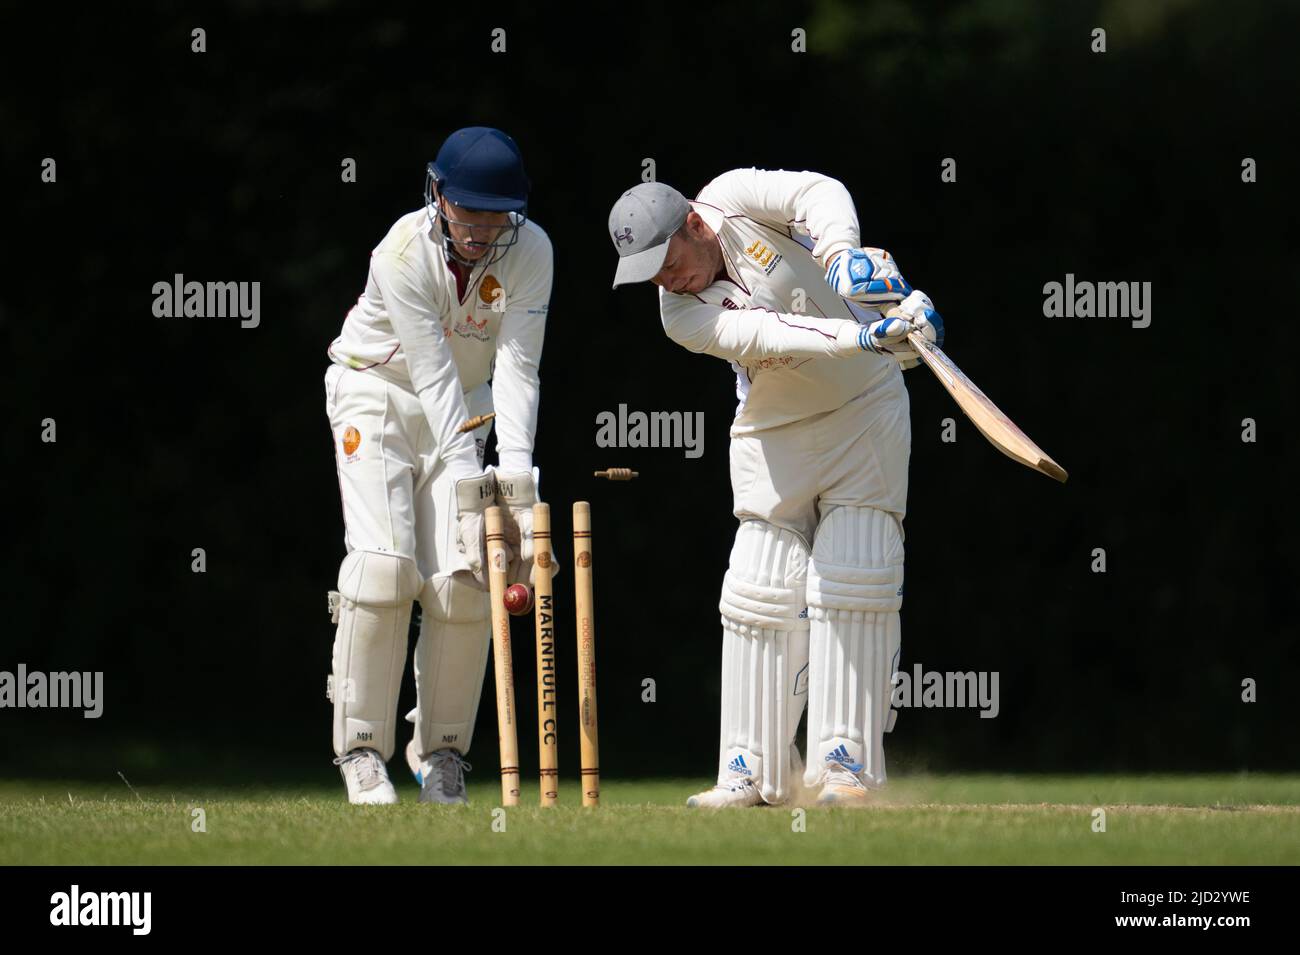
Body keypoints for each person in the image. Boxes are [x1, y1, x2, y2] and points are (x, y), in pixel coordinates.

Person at [606, 170, 942, 806]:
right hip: (772, 428)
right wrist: (867, 335)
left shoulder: (731, 196)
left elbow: (820, 194)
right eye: (651, 274)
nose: (665, 281)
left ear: (696, 226)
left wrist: (841, 256)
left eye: (669, 263)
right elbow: (768, 333)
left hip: (865, 410)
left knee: (856, 573)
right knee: (759, 584)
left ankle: (846, 767)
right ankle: (750, 768)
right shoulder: (679, 313)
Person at [324, 127, 554, 804]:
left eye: (495, 213)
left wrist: (518, 497)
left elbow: (518, 370)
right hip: (378, 393)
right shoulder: (401, 252)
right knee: (384, 565)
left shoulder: (532, 250)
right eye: (467, 210)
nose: (481, 230)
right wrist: (481, 497)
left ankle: (443, 752)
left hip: (468, 408)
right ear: (437, 192)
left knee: (464, 578)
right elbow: (430, 379)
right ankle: (362, 749)